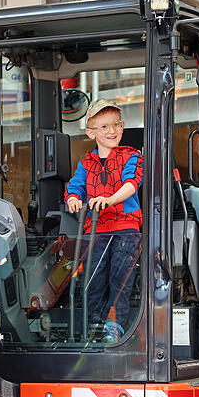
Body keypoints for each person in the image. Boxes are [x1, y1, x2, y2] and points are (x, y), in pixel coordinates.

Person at [65, 99, 143, 343]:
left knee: (120, 280)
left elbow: (131, 185)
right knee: (93, 281)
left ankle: (114, 327)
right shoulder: (86, 164)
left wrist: (109, 200)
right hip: (96, 231)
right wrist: (74, 200)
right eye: (104, 127)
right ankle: (91, 327)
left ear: (122, 127)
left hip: (125, 230)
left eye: (116, 125)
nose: (111, 131)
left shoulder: (131, 156)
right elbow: (74, 188)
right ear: (90, 133)